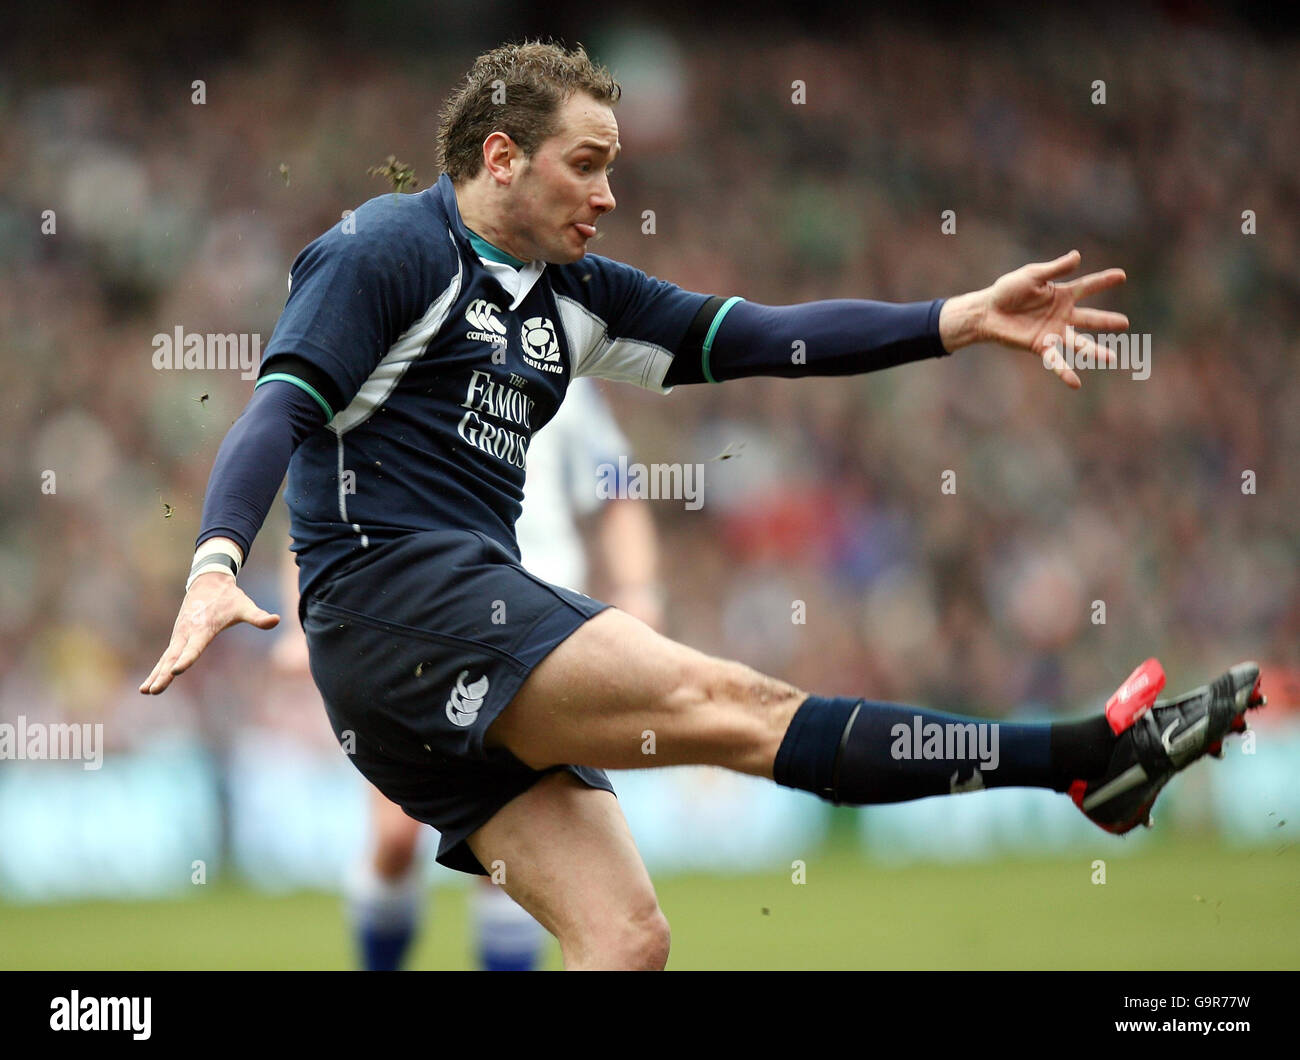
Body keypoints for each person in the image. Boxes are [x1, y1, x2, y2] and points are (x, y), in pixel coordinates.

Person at [142, 41, 1265, 970]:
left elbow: (769, 335)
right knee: (735, 704)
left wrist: (958, 317)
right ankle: (1081, 756)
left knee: (625, 941)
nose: (609, 194)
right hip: (400, 600)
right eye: (586, 165)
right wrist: (214, 561)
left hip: (426, 652)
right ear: (502, 156)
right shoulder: (386, 247)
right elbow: (276, 411)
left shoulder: (580, 297)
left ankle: (1086, 763)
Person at [269, 377, 663, 970]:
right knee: (396, 840)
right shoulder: (402, 363)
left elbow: (618, 488)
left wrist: (638, 587)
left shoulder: (562, 383)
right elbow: (318, 500)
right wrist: (306, 621)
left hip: (538, 638)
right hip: (421, 631)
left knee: (509, 864)